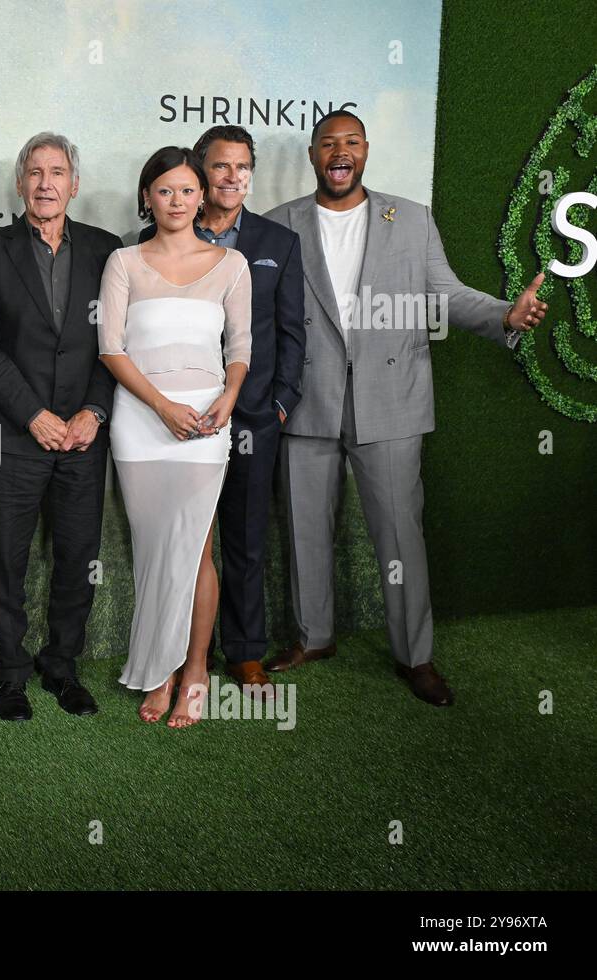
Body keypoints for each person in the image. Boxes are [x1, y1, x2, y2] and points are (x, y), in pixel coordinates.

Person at [263, 110, 545, 705]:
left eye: (351, 142)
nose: (339, 153)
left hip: (389, 402)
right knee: (305, 527)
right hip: (306, 402)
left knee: (399, 534)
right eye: (327, 144)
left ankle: (415, 655)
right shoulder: (279, 224)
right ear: (313, 155)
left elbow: (446, 294)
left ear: (365, 151)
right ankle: (314, 637)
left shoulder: (410, 219)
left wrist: (504, 315)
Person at [139, 126, 305, 694]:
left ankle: (244, 652)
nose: (232, 177)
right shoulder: (152, 239)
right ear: (199, 173)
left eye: (242, 167)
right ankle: (182, 656)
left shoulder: (277, 243)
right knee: (186, 540)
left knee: (244, 538)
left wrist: (280, 403)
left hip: (253, 417)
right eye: (220, 166)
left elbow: (290, 332)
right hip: (176, 420)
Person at [0, 132, 121, 721]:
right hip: (12, 436)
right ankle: (11, 676)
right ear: (20, 183)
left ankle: (62, 667)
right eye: (34, 172)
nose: (45, 183)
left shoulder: (108, 252)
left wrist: (93, 412)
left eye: (57, 172)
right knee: (7, 557)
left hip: (83, 437)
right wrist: (33, 414)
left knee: (77, 556)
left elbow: (117, 344)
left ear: (74, 184)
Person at [98, 146, 251, 726]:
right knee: (157, 549)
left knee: (196, 551)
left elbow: (240, 347)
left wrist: (227, 400)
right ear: (147, 198)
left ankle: (193, 671)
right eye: (165, 191)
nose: (178, 201)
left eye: (188, 190)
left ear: (202, 197)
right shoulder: (123, 262)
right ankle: (157, 671)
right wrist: (162, 406)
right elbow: (110, 347)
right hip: (142, 423)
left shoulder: (231, 267)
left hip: (208, 424)